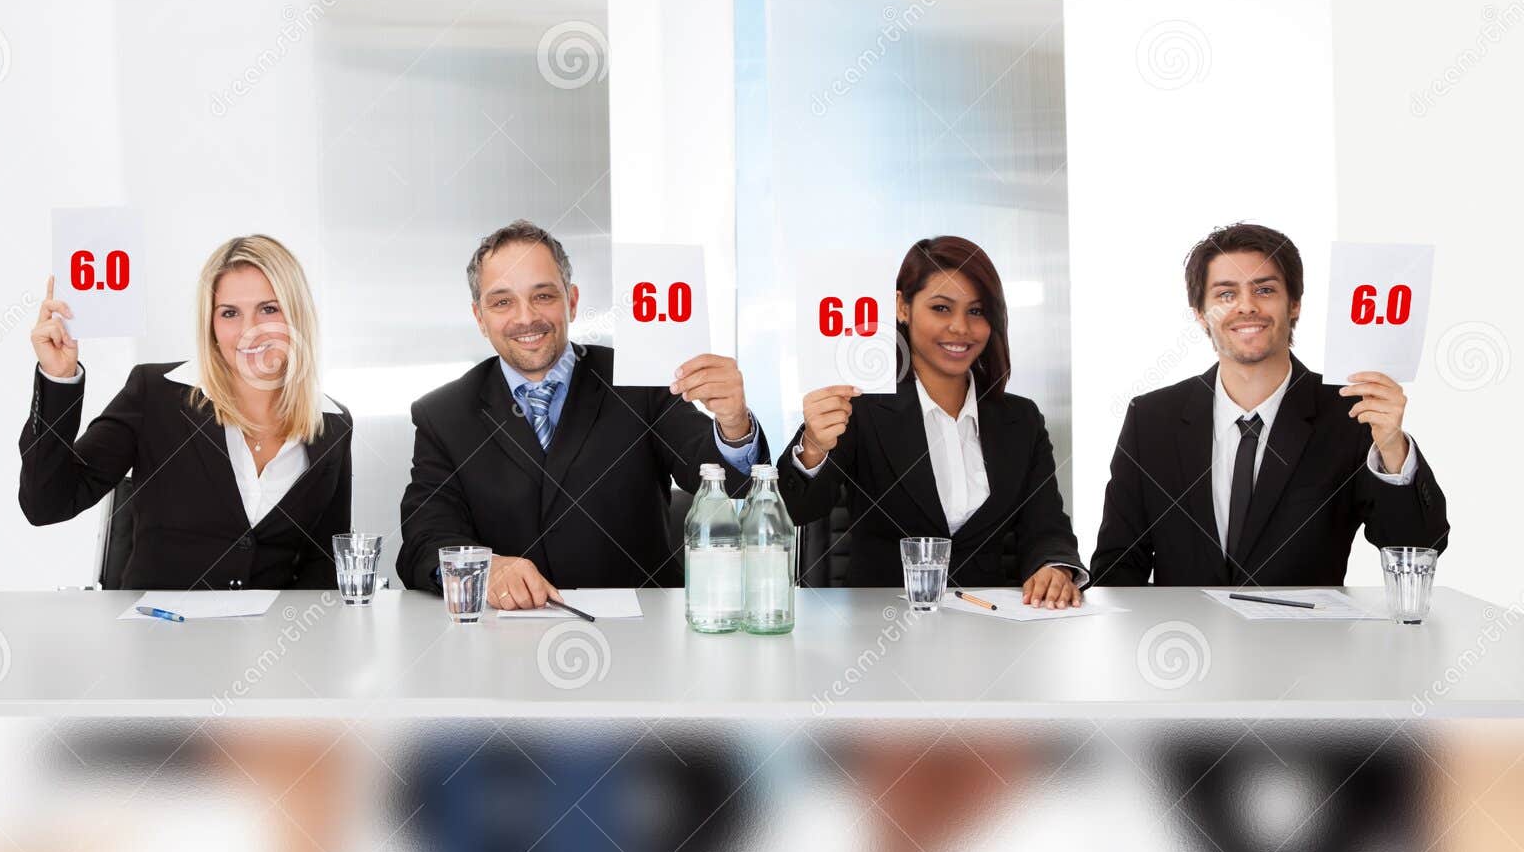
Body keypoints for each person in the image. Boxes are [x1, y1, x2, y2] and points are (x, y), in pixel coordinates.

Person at [396, 219, 769, 606]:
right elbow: (424, 541)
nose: (525, 318)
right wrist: (485, 570)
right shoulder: (443, 414)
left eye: (543, 296)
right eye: (502, 301)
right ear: (480, 317)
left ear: (572, 301)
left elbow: (726, 480)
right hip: (503, 638)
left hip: (642, 636)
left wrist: (733, 424)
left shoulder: (637, 381)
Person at [1090, 222, 1449, 586]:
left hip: (1306, 640)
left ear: (1294, 305)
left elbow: (1419, 548)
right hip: (1184, 641)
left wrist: (1392, 448)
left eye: (1264, 290)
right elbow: (1117, 567)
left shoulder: (1350, 414)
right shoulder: (1151, 420)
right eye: (1226, 294)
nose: (1246, 306)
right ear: (1200, 313)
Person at [19, 234, 352, 590]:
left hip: (271, 640)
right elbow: (46, 504)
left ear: (296, 315)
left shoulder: (331, 423)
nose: (250, 331)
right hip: (160, 637)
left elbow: (326, 561)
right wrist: (58, 379)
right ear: (210, 324)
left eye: (269, 309)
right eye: (229, 313)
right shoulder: (155, 394)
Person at [774, 235, 1087, 607]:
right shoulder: (859, 408)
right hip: (878, 633)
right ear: (902, 307)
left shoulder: (1021, 420)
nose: (960, 328)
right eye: (941, 308)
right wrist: (812, 447)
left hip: (990, 631)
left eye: (976, 311)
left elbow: (1046, 527)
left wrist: (1054, 567)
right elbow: (796, 510)